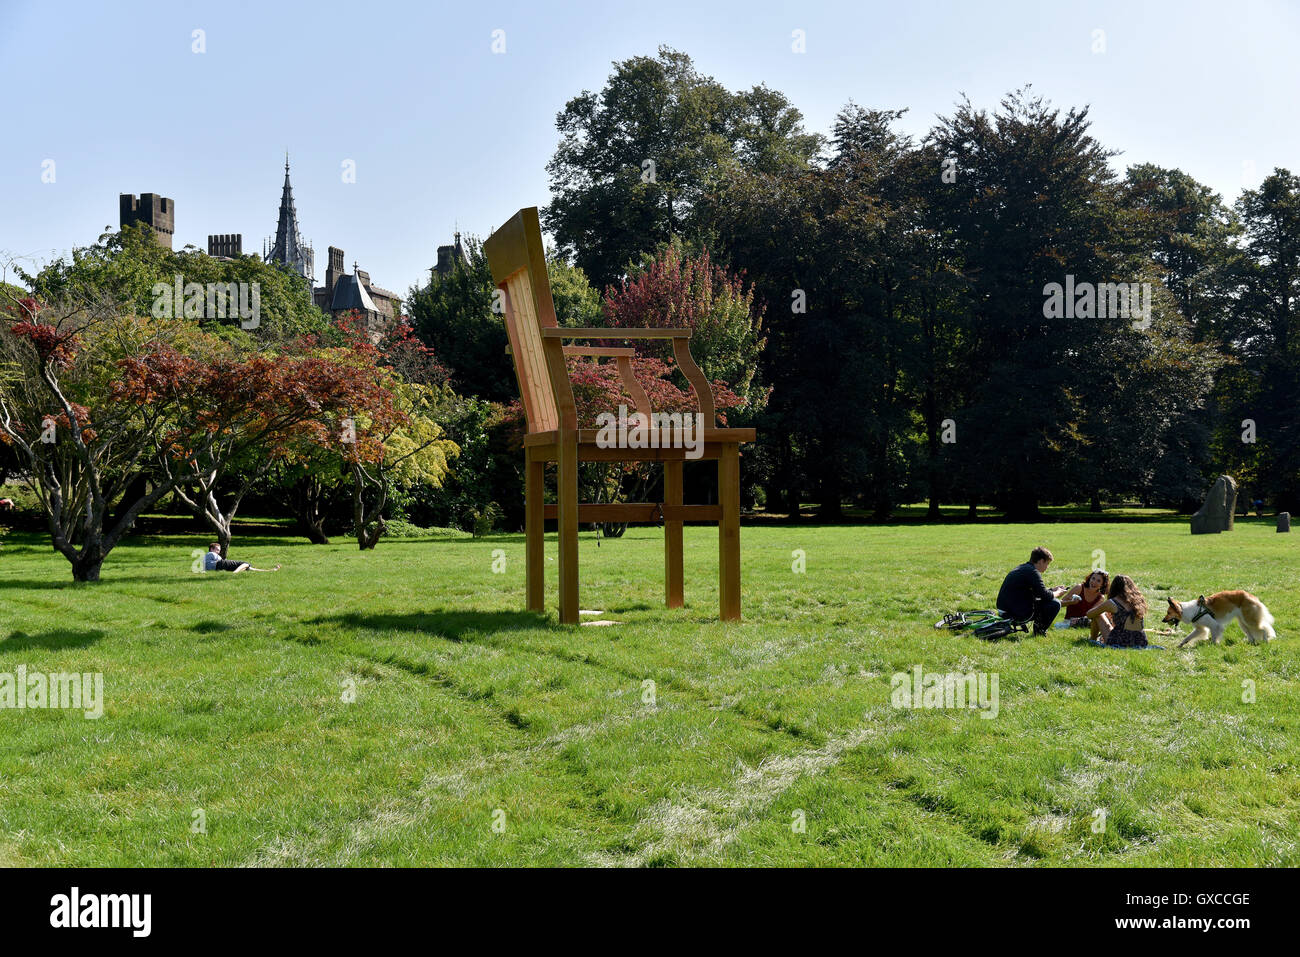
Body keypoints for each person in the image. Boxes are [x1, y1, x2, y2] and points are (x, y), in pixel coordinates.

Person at [995, 546, 1068, 635]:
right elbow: (1045, 596)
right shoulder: (1033, 572)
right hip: (1014, 612)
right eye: (1047, 563)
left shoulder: (1024, 568)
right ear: (1041, 561)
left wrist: (1052, 589)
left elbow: (1037, 592)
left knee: (1044, 600)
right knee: (1055, 603)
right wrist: (1058, 592)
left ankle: (1038, 630)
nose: (1047, 567)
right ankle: (1040, 632)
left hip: (1003, 608)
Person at [1084, 574, 1148, 648]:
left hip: (1120, 641)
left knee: (1098, 615)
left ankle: (1092, 640)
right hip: (1140, 640)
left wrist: (1103, 612)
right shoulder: (1138, 601)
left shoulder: (1113, 602)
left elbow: (1089, 614)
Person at [202, 542, 280, 574]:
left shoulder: (205, 559)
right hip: (220, 564)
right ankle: (235, 573)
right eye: (217, 550)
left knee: (248, 568)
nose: (218, 552)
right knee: (245, 563)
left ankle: (269, 570)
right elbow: (221, 561)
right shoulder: (211, 553)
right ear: (211, 549)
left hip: (218, 568)